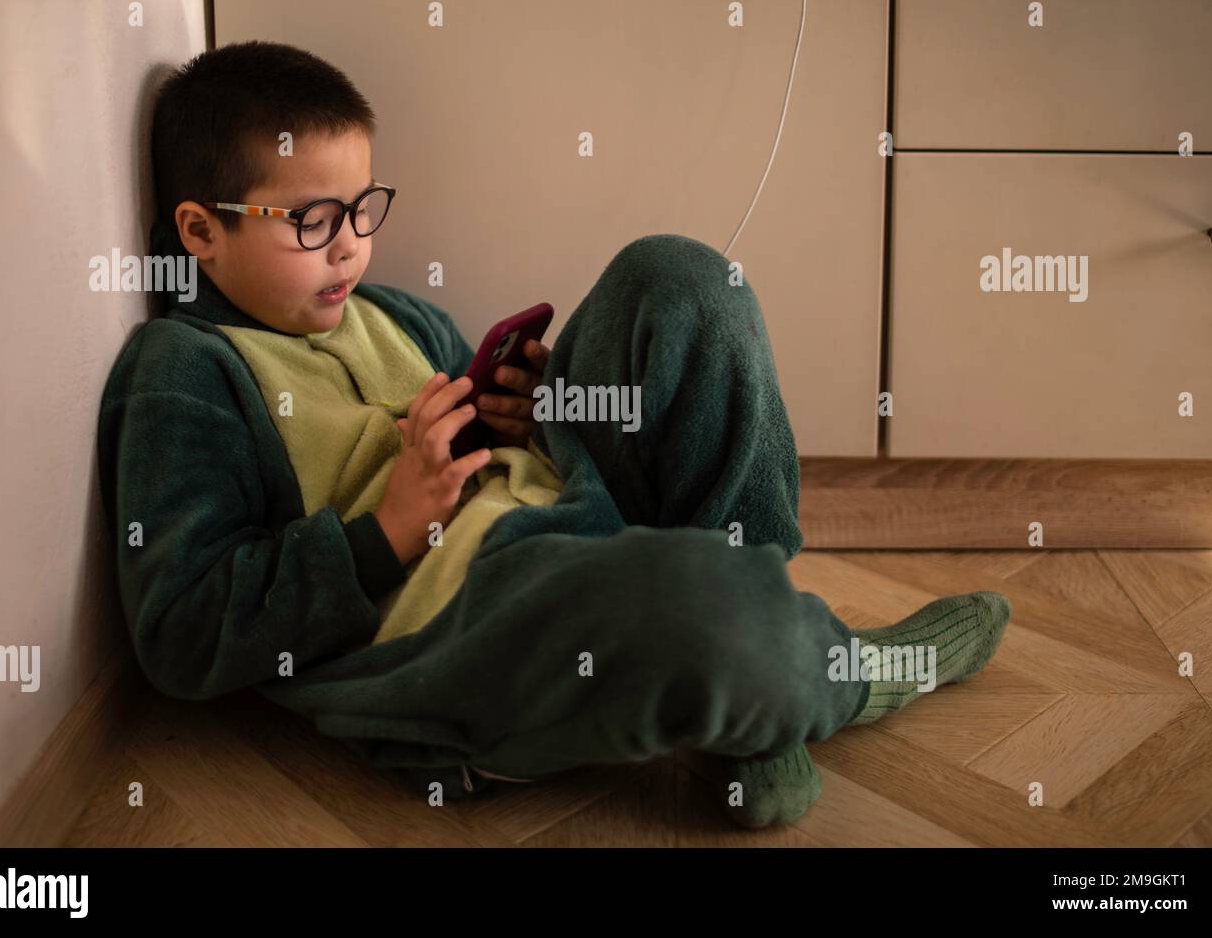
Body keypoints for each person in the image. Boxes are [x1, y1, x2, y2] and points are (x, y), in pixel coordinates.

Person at [97, 40, 1011, 830]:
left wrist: (542, 415)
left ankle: (755, 633)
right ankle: (831, 676)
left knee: (685, 279)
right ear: (199, 232)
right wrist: (385, 534)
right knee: (696, 609)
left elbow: (510, 456)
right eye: (312, 221)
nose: (349, 246)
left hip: (577, 516)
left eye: (361, 208)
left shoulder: (395, 316)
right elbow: (180, 632)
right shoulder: (184, 370)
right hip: (476, 622)